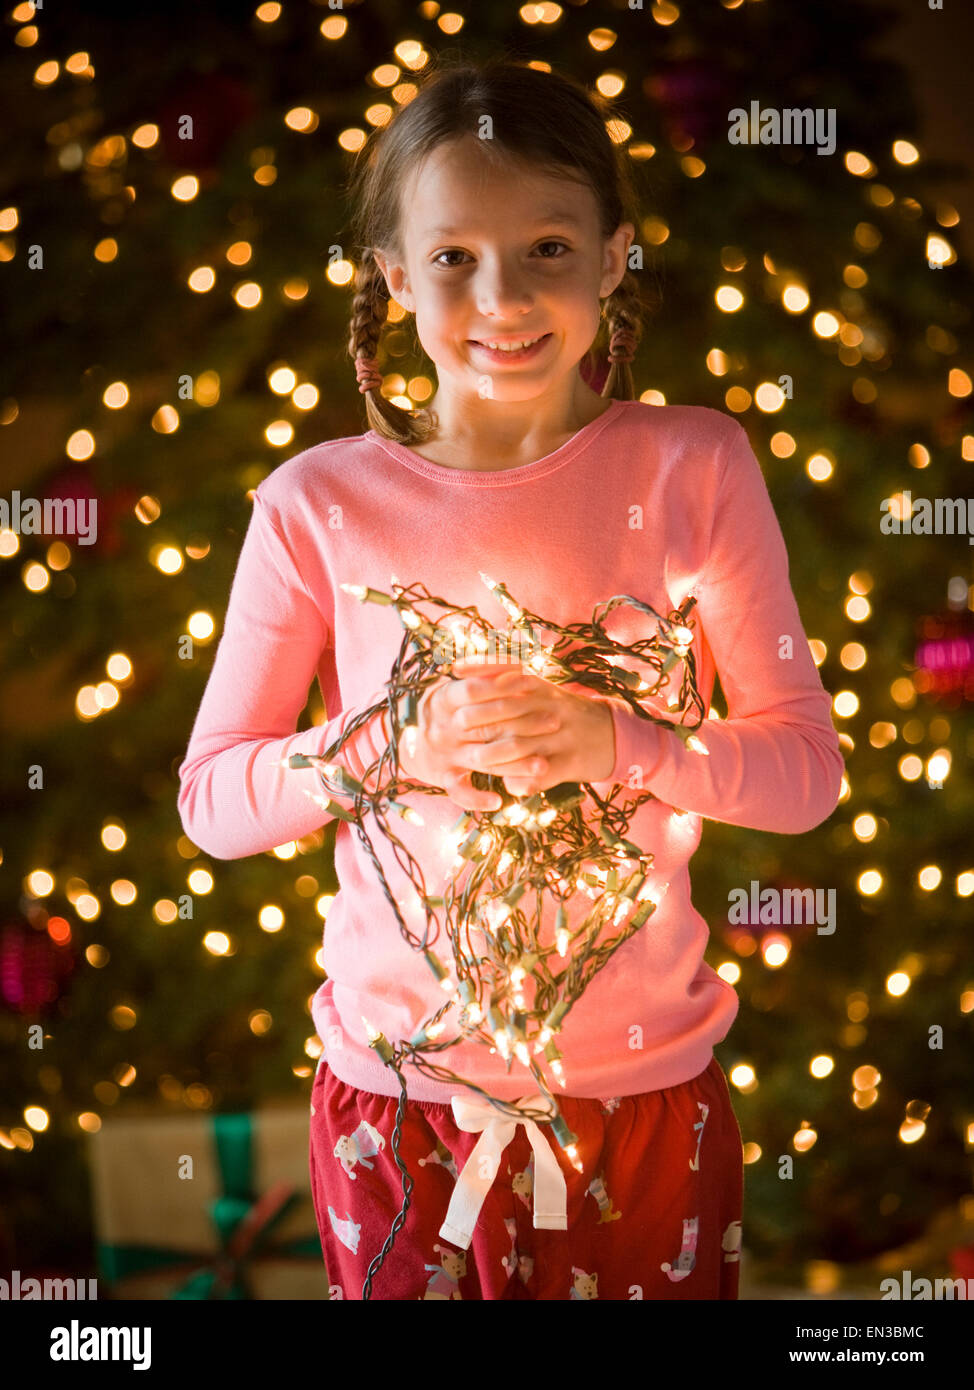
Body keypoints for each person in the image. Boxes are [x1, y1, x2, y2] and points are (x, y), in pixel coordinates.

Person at [177, 55, 845, 1302]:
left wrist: (619, 743)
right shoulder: (317, 506)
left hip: (641, 1110)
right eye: (451, 259)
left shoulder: (694, 464)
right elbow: (214, 803)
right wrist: (387, 745)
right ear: (391, 277)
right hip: (398, 1114)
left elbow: (804, 773)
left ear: (611, 257)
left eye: (546, 247)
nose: (502, 296)